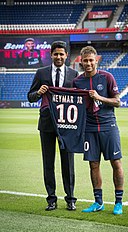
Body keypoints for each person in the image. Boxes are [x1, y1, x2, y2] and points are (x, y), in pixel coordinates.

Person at [27, 41, 79, 211]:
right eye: (55, 54)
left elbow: (77, 99)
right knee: (48, 163)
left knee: (68, 163)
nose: (58, 57)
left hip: (67, 125)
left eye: (61, 54)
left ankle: (70, 199)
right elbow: (30, 96)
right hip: (47, 124)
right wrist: (38, 92)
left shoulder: (74, 74)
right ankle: (51, 199)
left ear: (66, 55)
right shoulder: (41, 72)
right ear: (51, 55)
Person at [73, 46, 124, 215]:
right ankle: (98, 202)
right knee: (93, 164)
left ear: (96, 60)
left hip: (108, 126)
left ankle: (118, 202)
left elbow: (118, 102)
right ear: (81, 61)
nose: (88, 63)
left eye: (91, 60)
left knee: (115, 163)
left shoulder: (107, 77)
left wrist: (99, 97)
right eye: (85, 60)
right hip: (89, 128)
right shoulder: (77, 82)